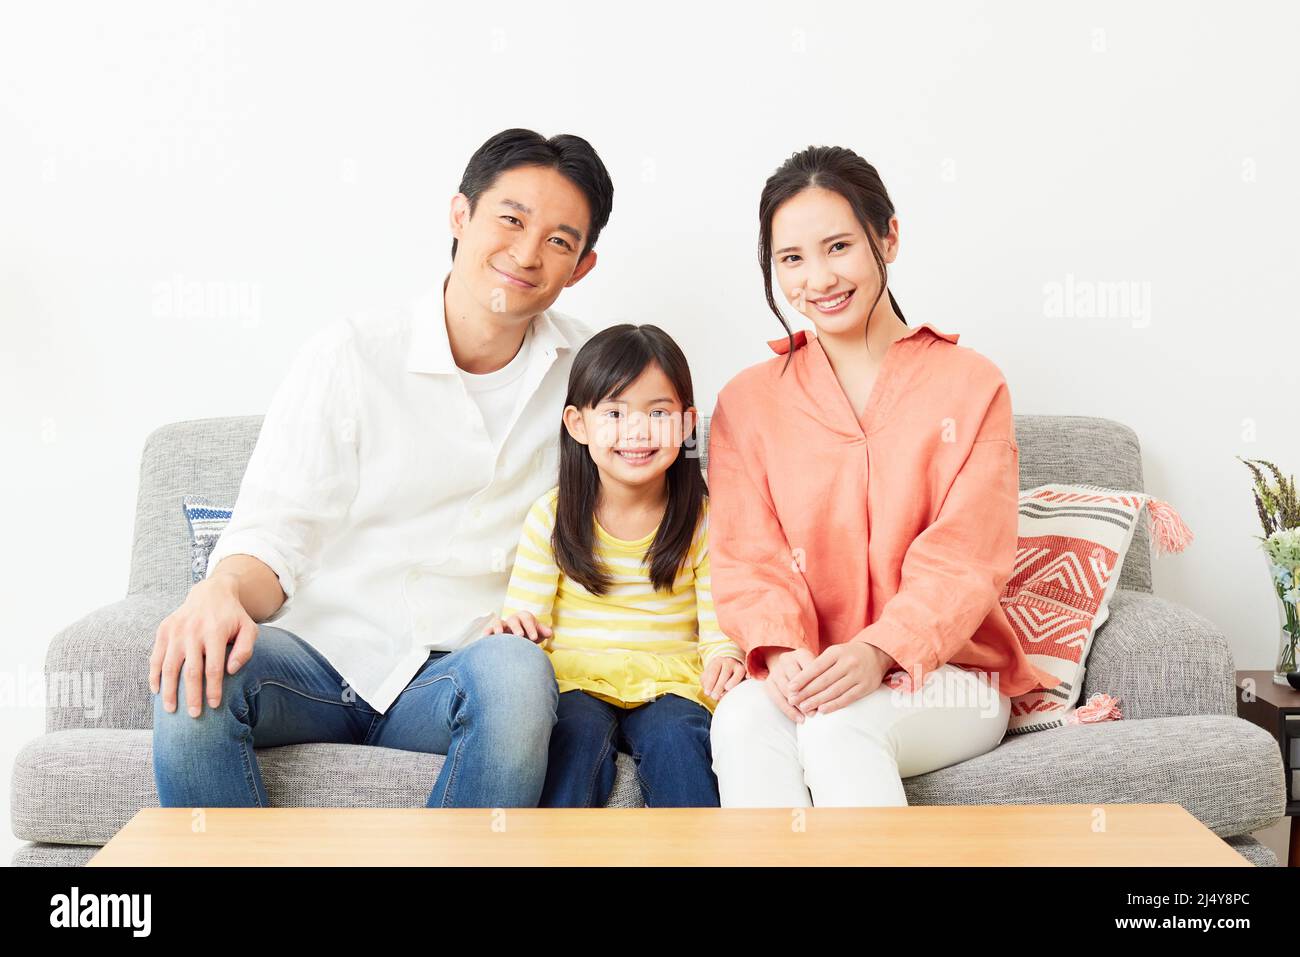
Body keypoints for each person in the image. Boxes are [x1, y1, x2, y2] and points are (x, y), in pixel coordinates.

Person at [149, 128, 613, 808]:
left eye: (558, 240)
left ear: (582, 266)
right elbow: (274, 536)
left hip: (462, 671)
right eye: (511, 219)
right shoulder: (352, 356)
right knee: (198, 669)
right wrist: (218, 589)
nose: (526, 252)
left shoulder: (594, 375)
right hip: (324, 657)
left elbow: (636, 521)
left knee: (517, 672)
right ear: (461, 215)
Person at [707, 145, 1064, 807]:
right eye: (791, 258)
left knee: (837, 731)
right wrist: (781, 652)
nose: (818, 277)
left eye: (838, 246)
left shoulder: (972, 385)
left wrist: (880, 649)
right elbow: (746, 557)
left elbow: (966, 557)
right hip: (805, 667)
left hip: (947, 676)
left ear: (888, 238)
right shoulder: (746, 403)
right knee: (741, 717)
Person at [486, 324, 746, 807]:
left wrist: (726, 659)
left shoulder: (706, 520)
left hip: (672, 681)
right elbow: (529, 620)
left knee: (680, 739)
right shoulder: (553, 515)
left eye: (659, 412)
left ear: (689, 424)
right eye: (614, 412)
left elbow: (717, 629)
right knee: (573, 738)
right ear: (578, 424)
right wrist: (515, 631)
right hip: (577, 678)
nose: (637, 431)